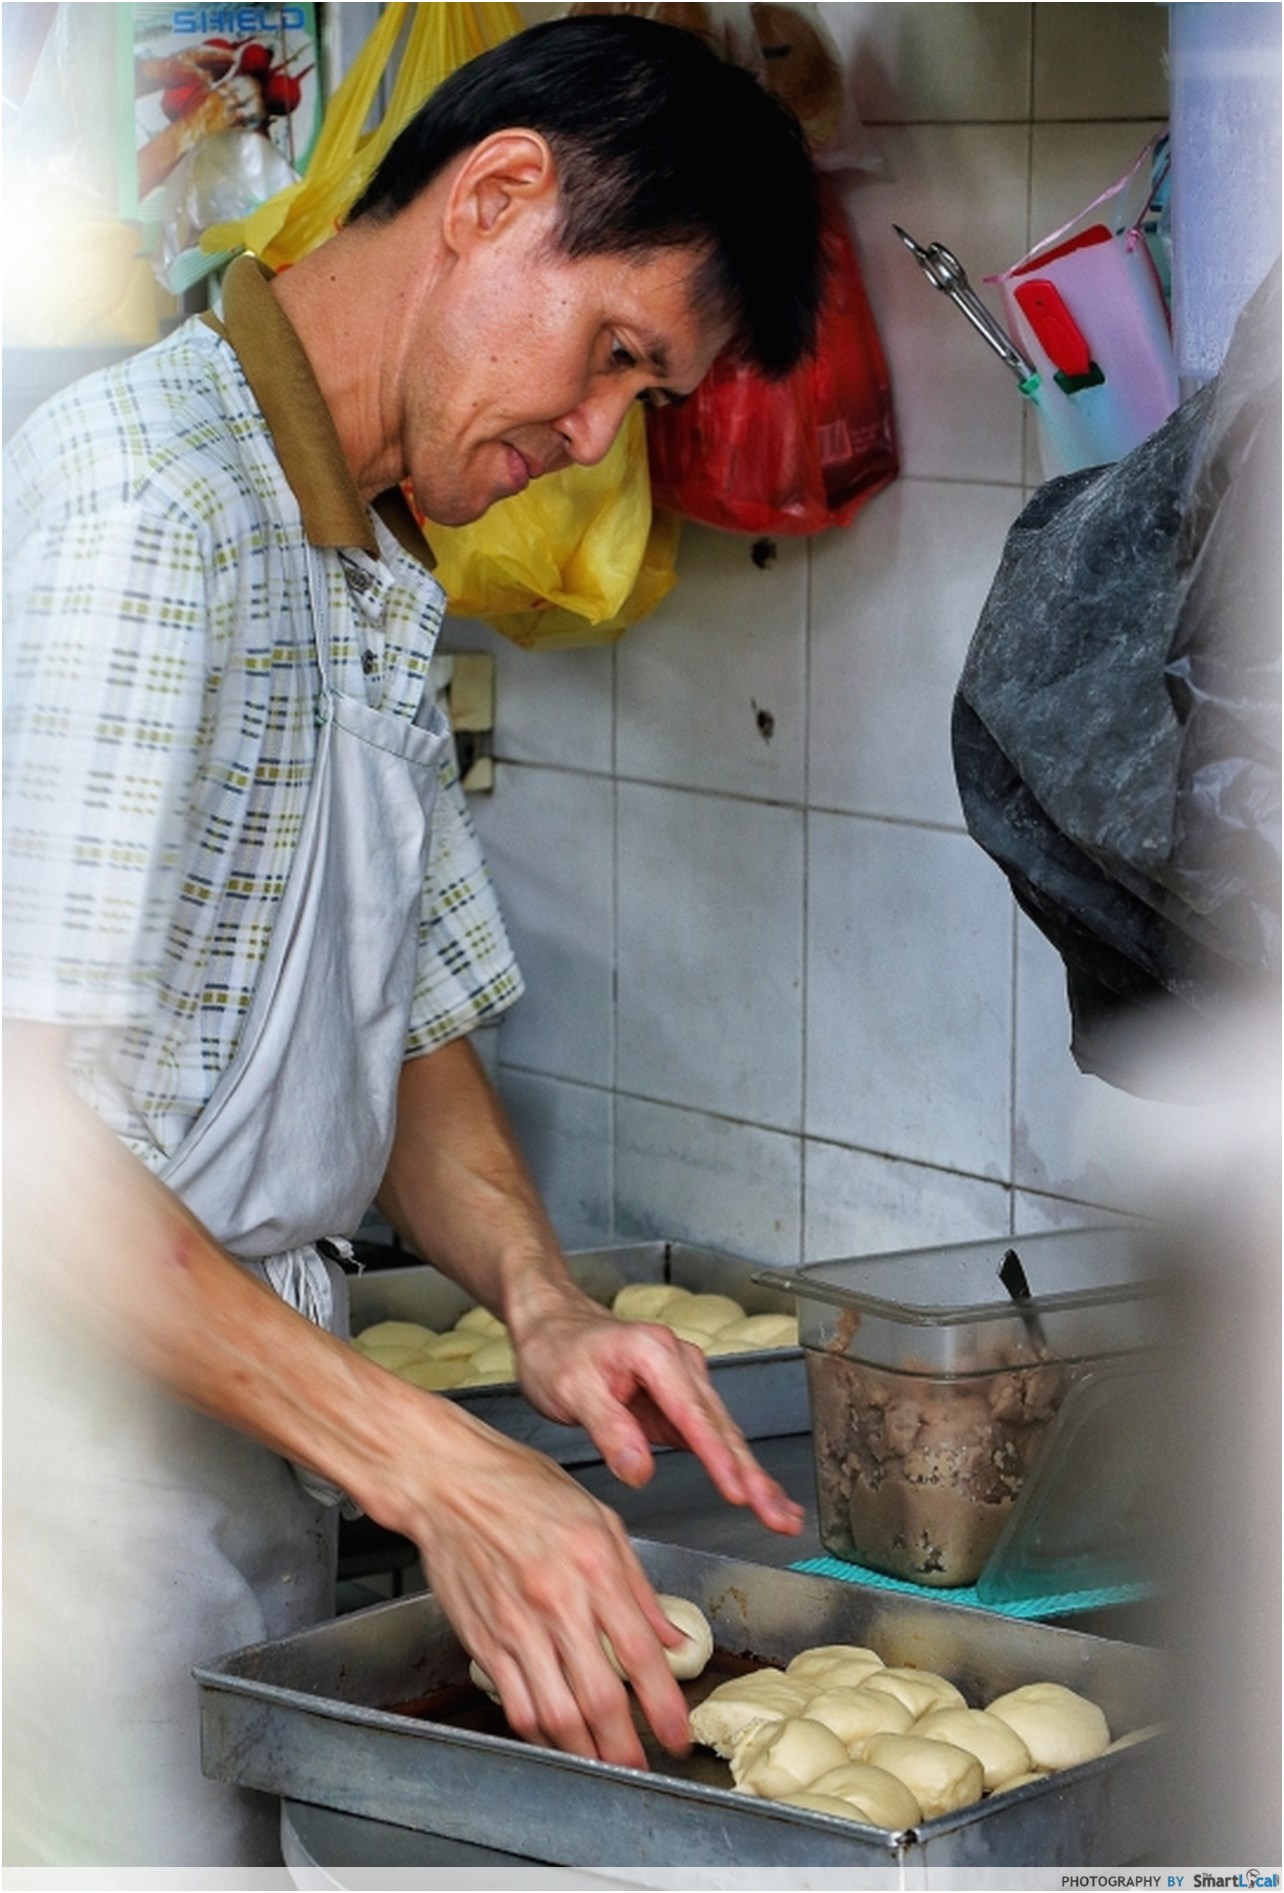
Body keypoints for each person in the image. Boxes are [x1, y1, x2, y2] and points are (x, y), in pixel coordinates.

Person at [2, 15, 824, 1868]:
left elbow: (405, 1013)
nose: (595, 438)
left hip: (226, 1466)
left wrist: (540, 1303)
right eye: (613, 355)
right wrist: (426, 1461)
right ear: (499, 194)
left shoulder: (361, 557)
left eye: (650, 401)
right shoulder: (153, 511)